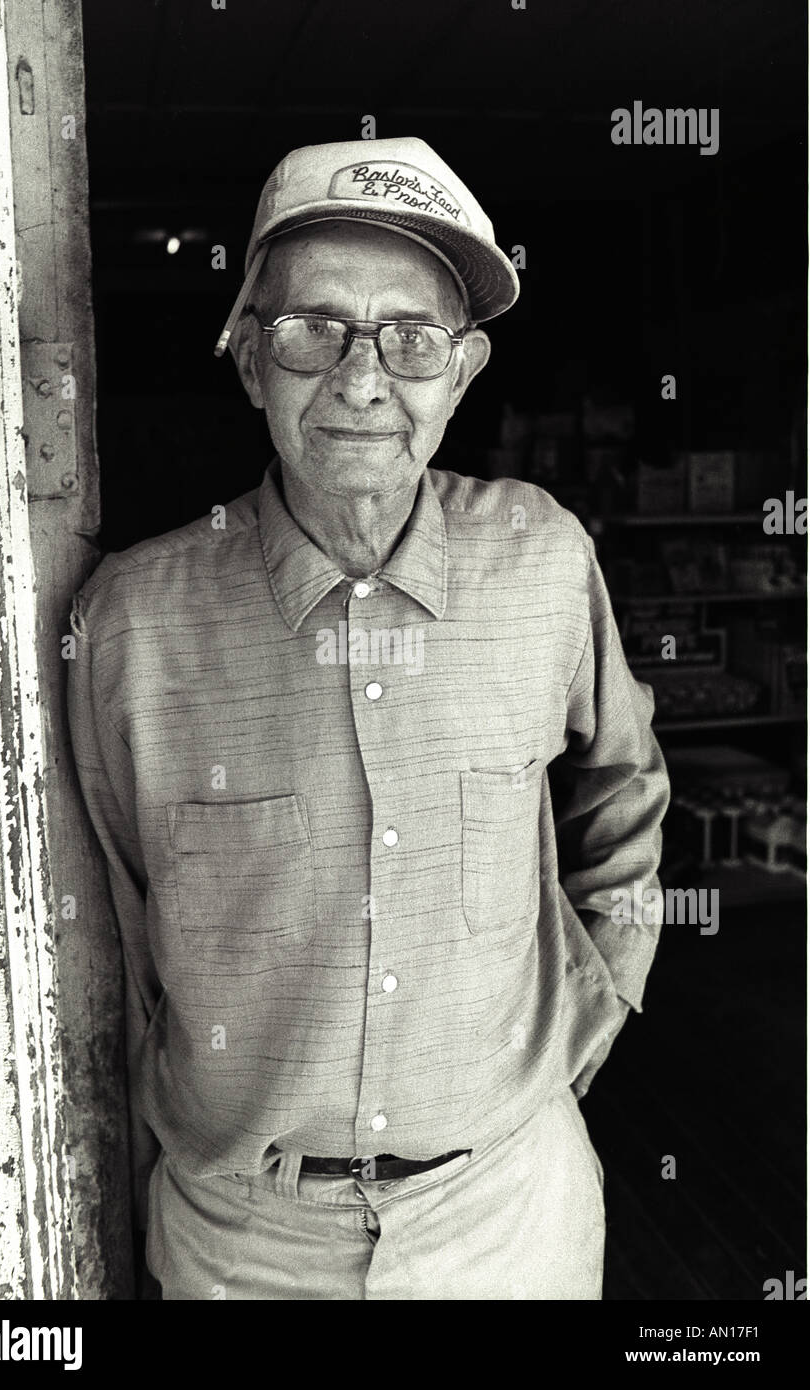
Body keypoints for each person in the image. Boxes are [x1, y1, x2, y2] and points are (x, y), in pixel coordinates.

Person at [67, 136, 670, 1300]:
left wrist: (601, 999)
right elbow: (115, 929)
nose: (360, 380)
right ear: (249, 360)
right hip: (243, 1245)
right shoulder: (131, 624)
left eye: (411, 338)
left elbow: (623, 784)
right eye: (312, 332)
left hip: (508, 1218)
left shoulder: (541, 559)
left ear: (465, 368)